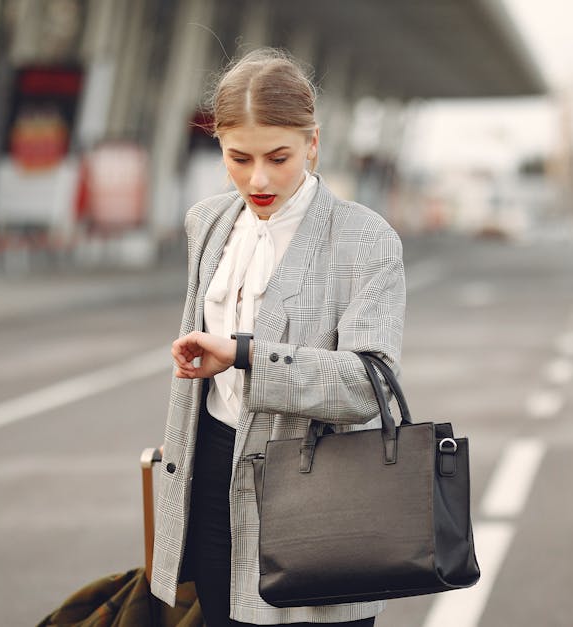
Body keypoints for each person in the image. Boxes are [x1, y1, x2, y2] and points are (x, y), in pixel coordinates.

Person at [150, 48, 405, 627]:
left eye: (278, 157)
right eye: (238, 158)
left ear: (313, 143)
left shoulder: (365, 239)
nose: (258, 179)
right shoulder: (208, 222)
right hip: (212, 477)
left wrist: (243, 356)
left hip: (319, 488)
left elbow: (370, 387)